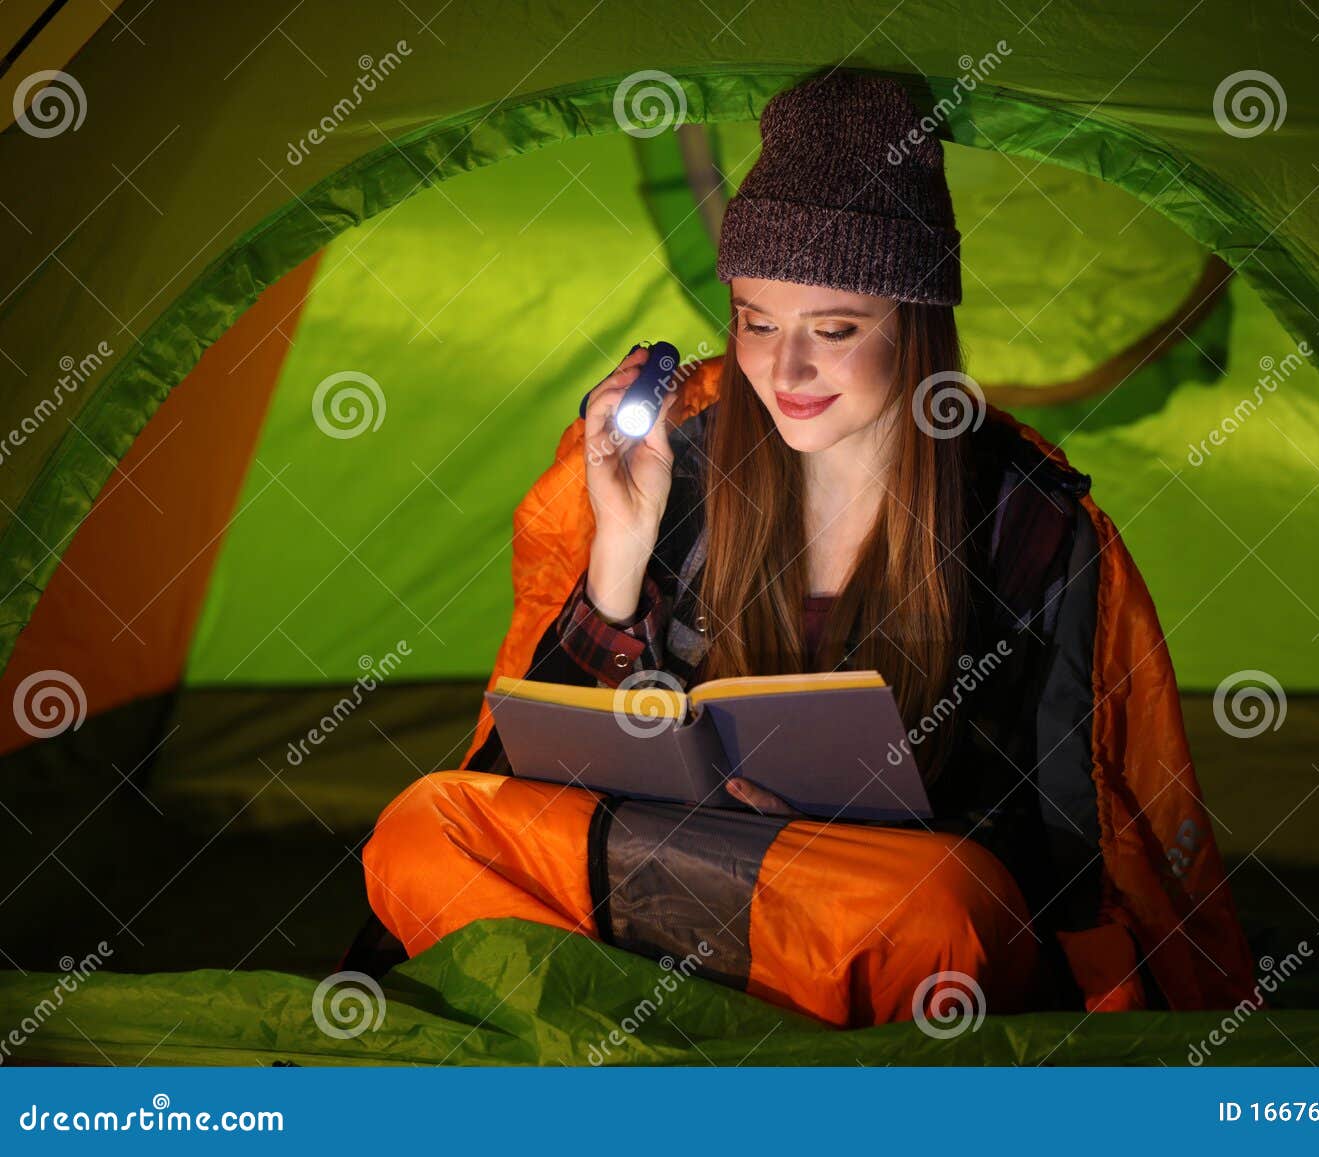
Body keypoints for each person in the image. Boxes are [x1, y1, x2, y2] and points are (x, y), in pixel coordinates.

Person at [353, 71, 1255, 1029]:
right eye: (757, 322)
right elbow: (523, 772)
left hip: (853, 902)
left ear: (914, 326)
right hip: (666, 866)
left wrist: (838, 818)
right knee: (424, 827)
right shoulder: (687, 461)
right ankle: (690, 1019)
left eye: (834, 329)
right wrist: (619, 550)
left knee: (944, 907)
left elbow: (1063, 827)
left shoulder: (1026, 520)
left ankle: (667, 1025)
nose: (787, 371)